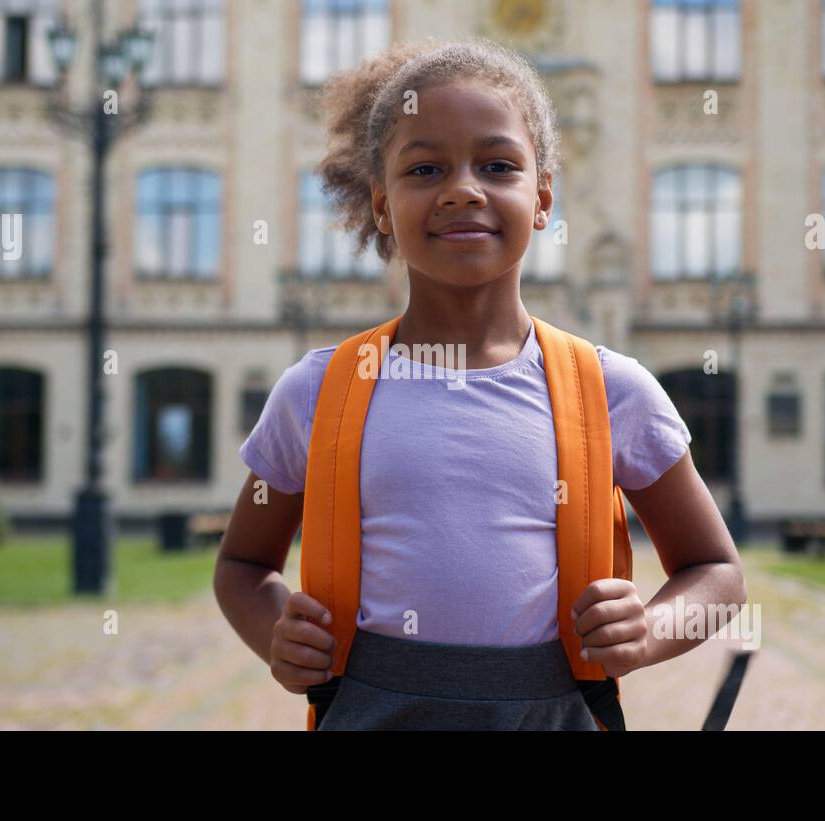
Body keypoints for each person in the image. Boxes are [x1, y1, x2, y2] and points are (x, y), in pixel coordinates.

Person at [214, 37, 745, 730]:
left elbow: (718, 573)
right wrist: (276, 632)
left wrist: (649, 630)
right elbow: (242, 563)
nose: (463, 188)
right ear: (381, 206)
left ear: (543, 197)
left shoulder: (612, 389)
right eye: (426, 167)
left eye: (497, 165)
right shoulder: (318, 392)